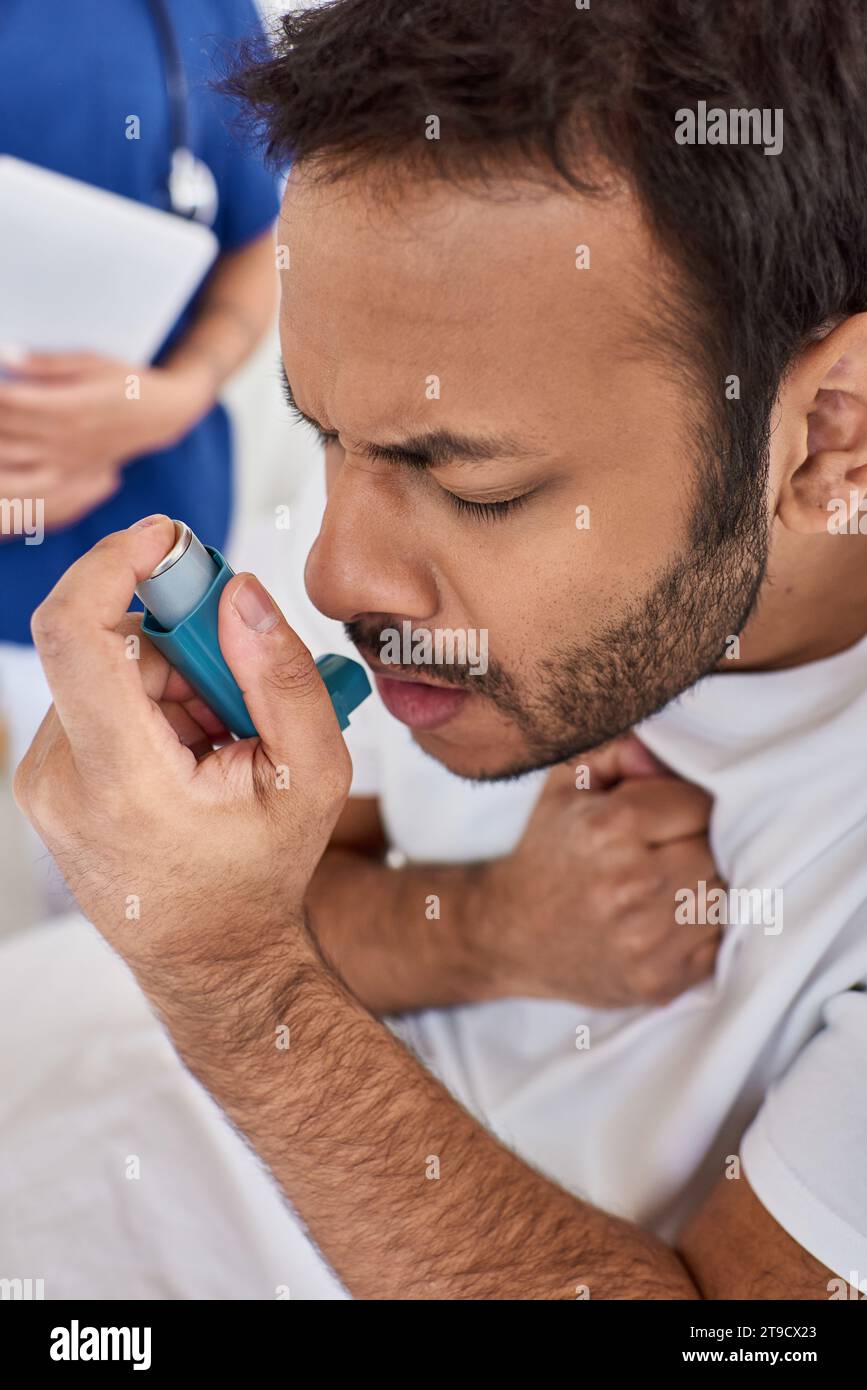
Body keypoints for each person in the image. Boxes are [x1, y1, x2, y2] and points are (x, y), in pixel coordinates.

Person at [7, 0, 867, 1299]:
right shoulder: (456, 628)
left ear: (827, 439)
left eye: (469, 487)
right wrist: (481, 930)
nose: (329, 576)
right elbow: (308, 884)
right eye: (326, 436)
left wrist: (237, 986)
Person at [0, 0, 280, 784]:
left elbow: (256, 238)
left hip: (156, 563)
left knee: (148, 871)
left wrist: (187, 386)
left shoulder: (210, 12)